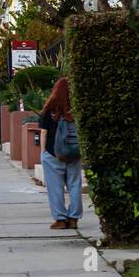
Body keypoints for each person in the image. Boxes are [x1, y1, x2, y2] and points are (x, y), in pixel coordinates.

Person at [39, 77, 82, 230]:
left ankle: (60, 219)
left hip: (53, 153)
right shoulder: (76, 109)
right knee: (75, 185)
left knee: (55, 187)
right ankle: (74, 218)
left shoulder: (50, 109)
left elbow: (43, 132)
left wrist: (43, 152)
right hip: (73, 152)